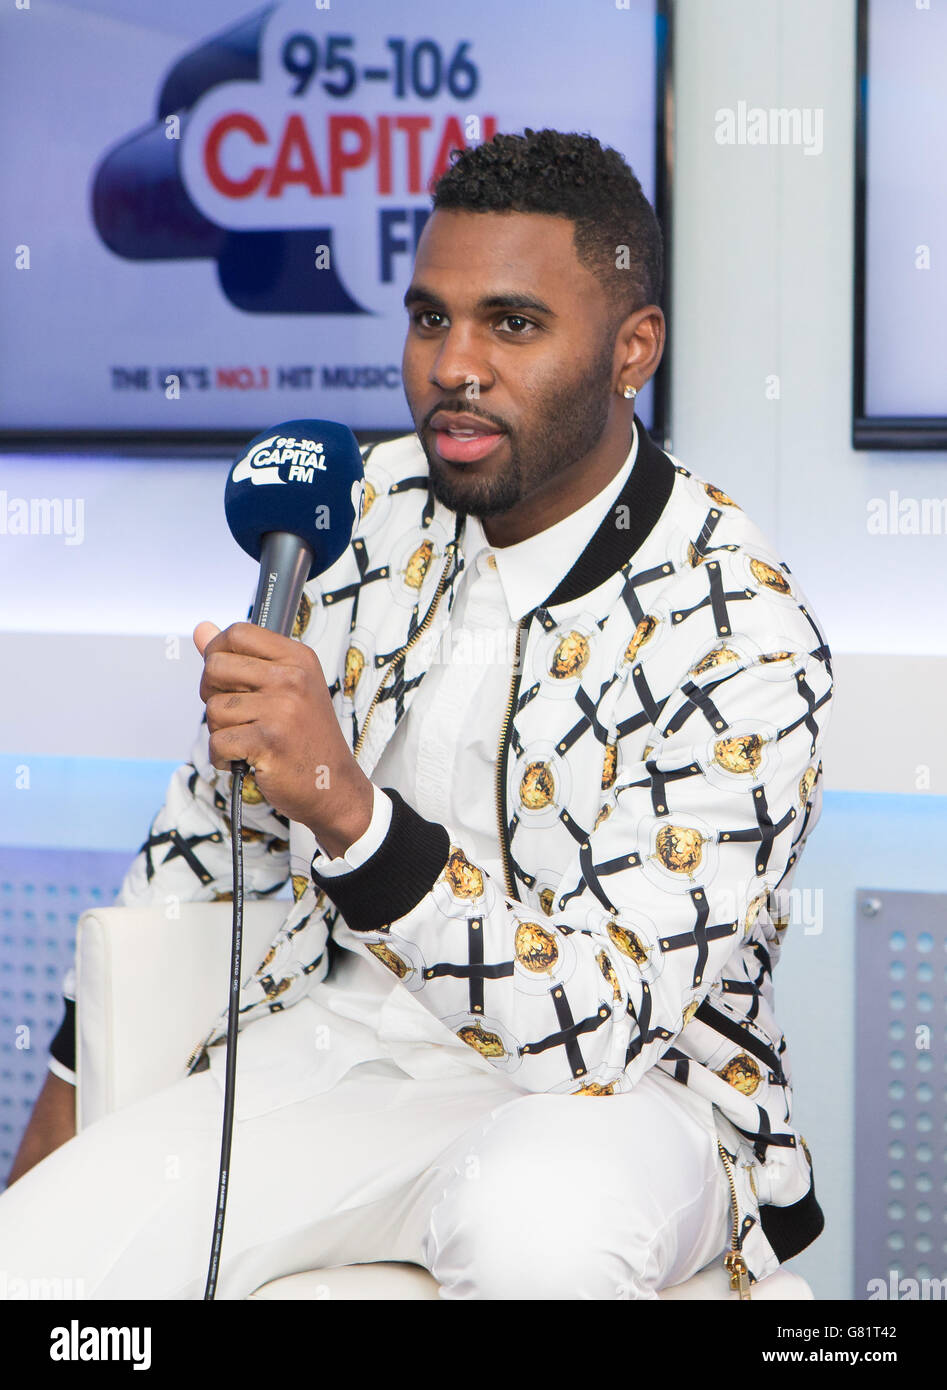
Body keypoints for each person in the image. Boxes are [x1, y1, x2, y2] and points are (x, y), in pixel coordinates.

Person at [0, 128, 832, 1300]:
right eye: (430, 318)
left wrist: (346, 809)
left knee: (538, 1236)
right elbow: (205, 840)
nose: (455, 365)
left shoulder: (738, 620)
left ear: (630, 348)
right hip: (337, 1047)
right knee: (41, 1272)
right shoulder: (364, 508)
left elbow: (603, 1028)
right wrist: (48, 1172)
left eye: (514, 323)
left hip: (615, 1101)